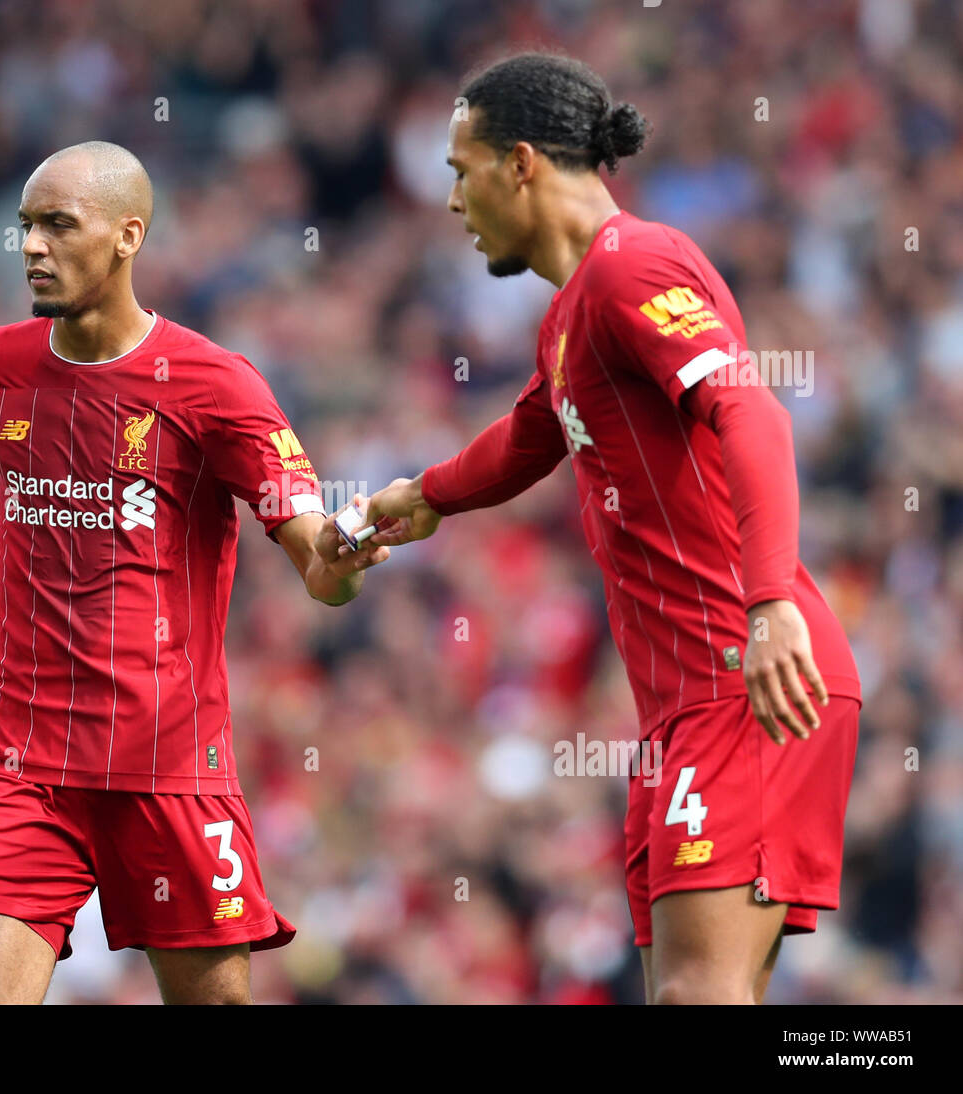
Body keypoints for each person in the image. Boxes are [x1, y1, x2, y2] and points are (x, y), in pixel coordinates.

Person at [358, 53, 861, 1005]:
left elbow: (753, 412)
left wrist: (767, 609)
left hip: (747, 677)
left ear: (519, 164)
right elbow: (528, 436)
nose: (453, 203)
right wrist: (423, 495)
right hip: (684, 712)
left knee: (691, 999)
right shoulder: (568, 313)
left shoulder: (636, 265)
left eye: (460, 172)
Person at [0, 141, 390, 1005]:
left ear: (127, 237)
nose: (33, 247)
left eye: (58, 225)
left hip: (171, 769)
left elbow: (315, 562)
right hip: (20, 763)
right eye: (25, 226)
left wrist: (342, 565)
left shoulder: (215, 385)